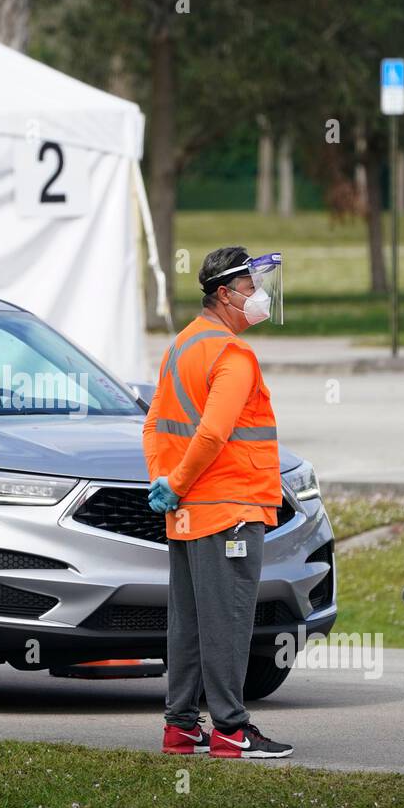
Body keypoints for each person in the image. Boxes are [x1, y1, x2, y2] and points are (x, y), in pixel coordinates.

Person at [142, 245, 293, 759]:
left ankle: (181, 725)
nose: (260, 296)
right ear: (226, 295)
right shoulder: (233, 354)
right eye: (252, 287)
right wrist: (179, 483)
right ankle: (231, 729)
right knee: (228, 619)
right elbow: (212, 433)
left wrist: (164, 484)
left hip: (187, 514)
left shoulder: (183, 345)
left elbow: (154, 424)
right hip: (230, 510)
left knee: (187, 622)